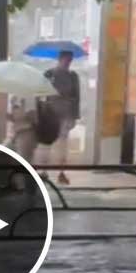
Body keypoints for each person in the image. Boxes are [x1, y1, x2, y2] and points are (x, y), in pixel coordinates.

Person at [42, 49, 80, 185]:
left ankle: (60, 172)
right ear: (60, 59)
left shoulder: (73, 76)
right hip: (51, 113)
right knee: (47, 143)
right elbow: (41, 93)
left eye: (70, 60)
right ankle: (44, 171)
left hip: (66, 113)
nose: (69, 62)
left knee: (62, 144)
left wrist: (75, 116)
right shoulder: (49, 74)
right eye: (66, 59)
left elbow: (77, 97)